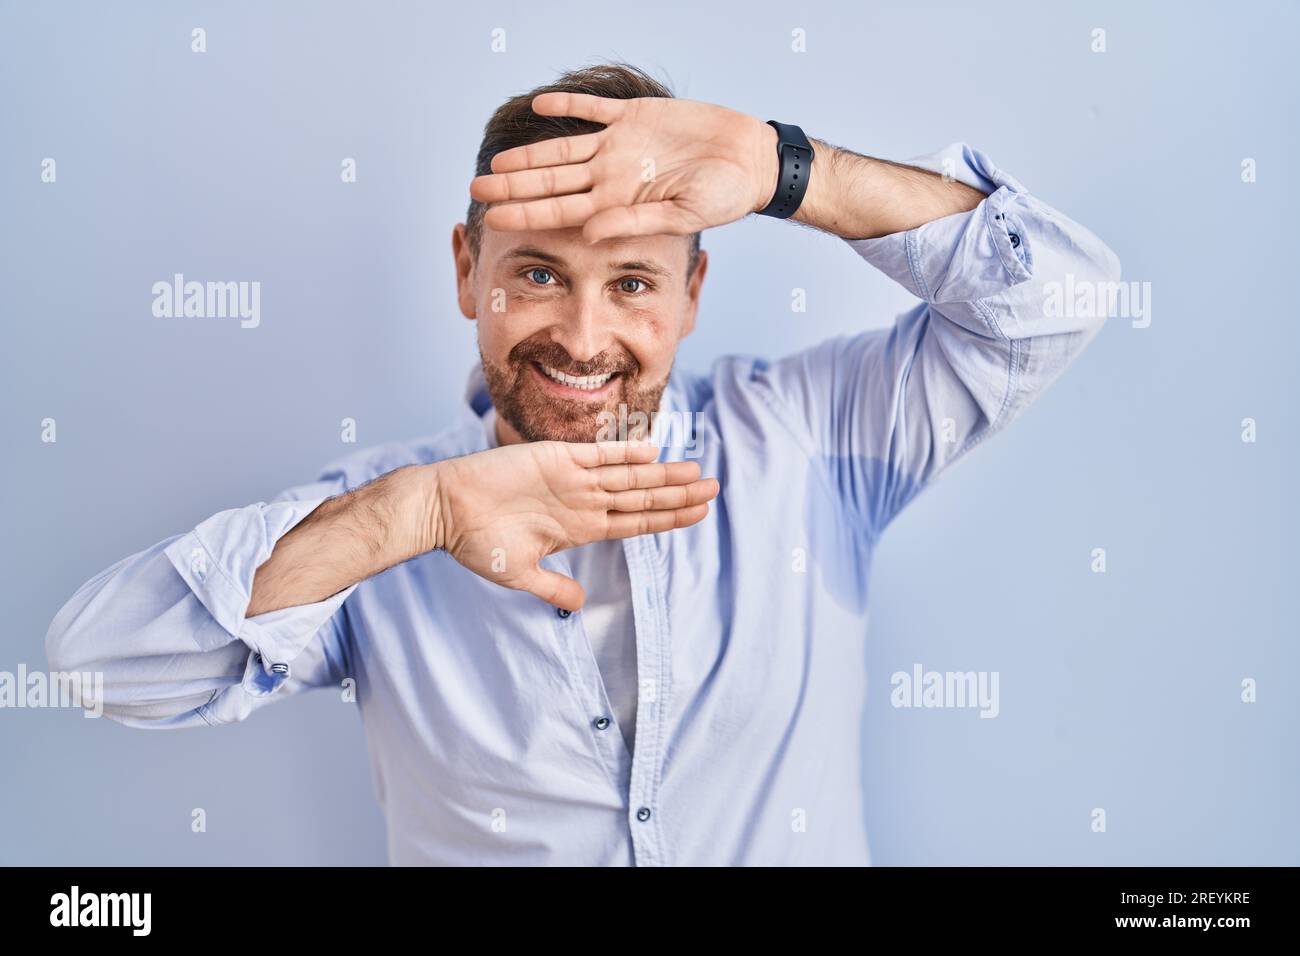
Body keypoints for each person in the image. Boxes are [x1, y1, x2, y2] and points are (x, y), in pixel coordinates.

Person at [46, 62, 1121, 865]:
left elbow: (1057, 297)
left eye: (634, 283)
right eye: (538, 273)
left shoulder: (811, 441)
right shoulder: (376, 521)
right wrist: (409, 514)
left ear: (693, 294)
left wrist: (792, 168)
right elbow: (100, 665)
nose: (582, 334)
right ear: (469, 271)